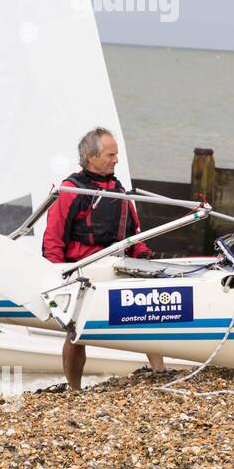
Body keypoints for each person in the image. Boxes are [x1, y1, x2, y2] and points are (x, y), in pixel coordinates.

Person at [43, 127, 165, 388]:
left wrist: (143, 257)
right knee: (77, 333)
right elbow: (52, 239)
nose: (116, 159)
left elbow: (133, 233)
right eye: (110, 154)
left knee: (148, 313)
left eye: (116, 154)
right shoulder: (71, 191)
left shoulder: (117, 189)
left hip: (116, 266)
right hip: (83, 272)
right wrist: (57, 277)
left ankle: (160, 372)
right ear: (91, 157)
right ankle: (74, 388)